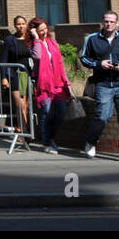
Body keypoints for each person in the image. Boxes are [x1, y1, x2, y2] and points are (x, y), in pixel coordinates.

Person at [79, 11, 119, 163]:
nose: (109, 24)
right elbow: (84, 58)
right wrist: (99, 64)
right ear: (102, 22)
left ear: (117, 23)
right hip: (103, 84)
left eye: (112, 22)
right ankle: (91, 142)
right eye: (106, 21)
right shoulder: (92, 39)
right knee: (102, 117)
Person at [28, 16, 72, 153]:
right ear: (34, 30)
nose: (44, 32)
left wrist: (67, 83)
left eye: (45, 29)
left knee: (61, 112)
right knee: (46, 113)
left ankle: (51, 137)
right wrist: (35, 38)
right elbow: (37, 56)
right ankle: (46, 143)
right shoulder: (33, 43)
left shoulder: (52, 42)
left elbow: (60, 63)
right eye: (41, 30)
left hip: (57, 82)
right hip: (44, 83)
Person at [0, 15, 34, 135]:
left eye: (23, 23)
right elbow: (4, 59)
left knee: (26, 106)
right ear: (14, 26)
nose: (21, 26)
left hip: (27, 74)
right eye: (18, 24)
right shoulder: (9, 40)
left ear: (26, 25)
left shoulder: (30, 40)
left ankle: (22, 129)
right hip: (15, 75)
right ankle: (24, 131)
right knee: (19, 104)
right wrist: (4, 77)